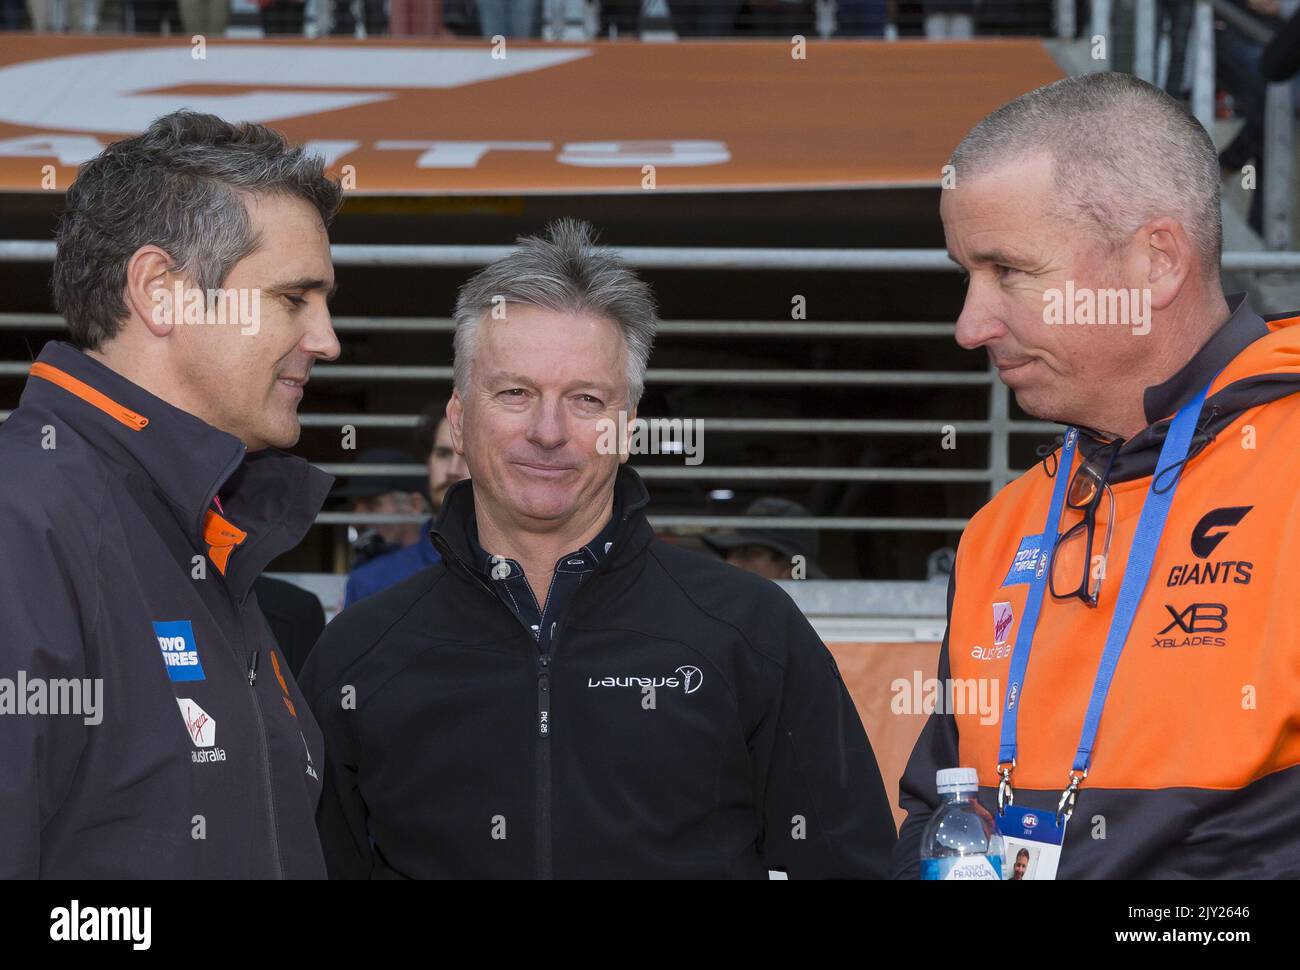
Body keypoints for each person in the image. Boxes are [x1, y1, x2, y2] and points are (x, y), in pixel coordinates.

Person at [301, 218, 895, 879]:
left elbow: (848, 863)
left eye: (586, 398)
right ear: (460, 419)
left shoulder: (751, 631)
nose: (548, 431)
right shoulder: (359, 655)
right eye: (515, 393)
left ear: (627, 427)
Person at [893, 72, 1300, 879]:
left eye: (1008, 270)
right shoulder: (1001, 529)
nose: (970, 326)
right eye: (964, 274)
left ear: (1157, 261)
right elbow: (931, 810)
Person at [0, 110, 342, 878]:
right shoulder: (24, 519)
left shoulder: (202, 524)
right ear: (163, 291)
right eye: (295, 298)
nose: (327, 340)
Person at [341, 401, 469, 608]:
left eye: (468, 454)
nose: (453, 470)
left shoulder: (524, 572)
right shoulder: (372, 582)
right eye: (443, 454)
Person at [336, 447, 429, 567]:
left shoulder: (444, 564)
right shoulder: (364, 568)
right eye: (353, 506)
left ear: (414, 505)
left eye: (371, 505)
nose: (355, 522)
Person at [701, 496, 828, 579]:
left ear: (788, 569)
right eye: (730, 552)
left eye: (749, 553)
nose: (731, 563)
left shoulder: (817, 618)